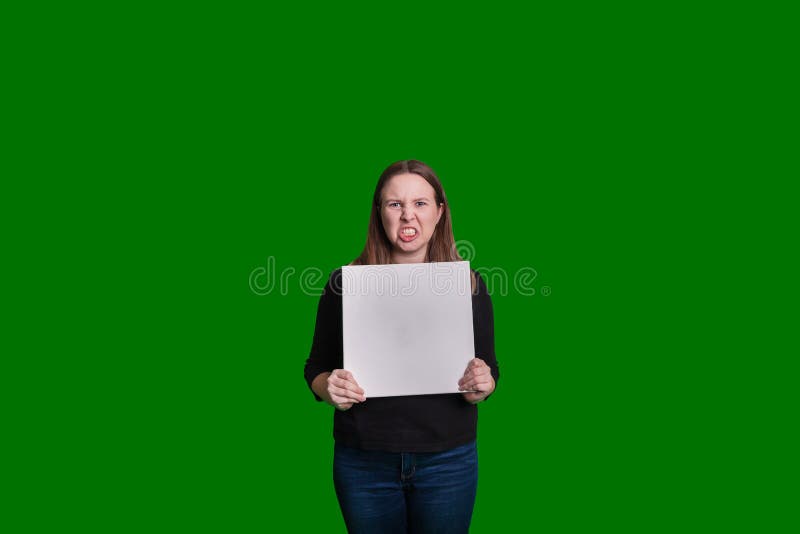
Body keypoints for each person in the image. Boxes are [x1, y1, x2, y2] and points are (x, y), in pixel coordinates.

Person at [304, 159, 500, 533]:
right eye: (394, 204)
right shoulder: (343, 284)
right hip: (363, 462)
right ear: (379, 213)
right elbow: (315, 368)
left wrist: (482, 385)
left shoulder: (469, 286)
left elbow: (490, 370)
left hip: (448, 461)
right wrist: (329, 387)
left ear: (440, 212)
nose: (407, 215)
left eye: (420, 203)